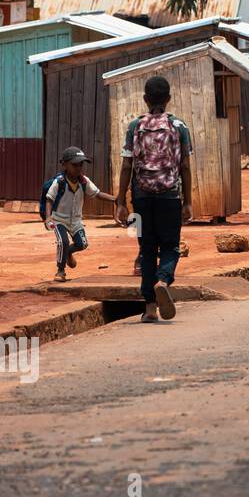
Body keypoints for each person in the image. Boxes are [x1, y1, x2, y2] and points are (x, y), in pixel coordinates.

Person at [115, 75, 193, 323]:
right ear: (168, 99)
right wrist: (188, 201)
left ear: (145, 99)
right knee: (170, 246)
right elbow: (186, 167)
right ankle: (163, 280)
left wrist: (120, 201)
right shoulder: (179, 126)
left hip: (141, 198)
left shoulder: (134, 126)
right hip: (170, 196)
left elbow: (127, 164)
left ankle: (149, 309)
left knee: (146, 249)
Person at [40, 147, 116, 282]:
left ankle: (68, 252)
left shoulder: (84, 181)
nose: (78, 168)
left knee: (82, 244)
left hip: (75, 221)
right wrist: (48, 217)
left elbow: (97, 194)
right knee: (62, 241)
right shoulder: (60, 182)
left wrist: (115, 199)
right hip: (59, 220)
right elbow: (49, 199)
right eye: (74, 165)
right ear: (64, 164)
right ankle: (61, 270)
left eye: (81, 164)